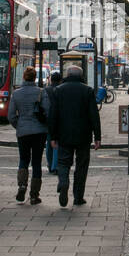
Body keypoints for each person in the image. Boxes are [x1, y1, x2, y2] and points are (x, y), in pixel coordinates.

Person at [48, 63, 101, 207]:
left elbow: (53, 115)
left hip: (64, 134)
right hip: (83, 135)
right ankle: (78, 196)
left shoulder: (58, 90)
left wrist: (53, 136)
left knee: (64, 162)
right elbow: (94, 115)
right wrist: (97, 137)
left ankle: (64, 182)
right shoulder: (87, 90)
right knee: (82, 166)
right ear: (81, 76)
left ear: (68, 75)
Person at [8, 66, 48, 204]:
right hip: (39, 132)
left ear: (24, 77)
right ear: (35, 77)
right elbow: (48, 111)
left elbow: (11, 115)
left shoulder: (16, 94)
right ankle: (34, 195)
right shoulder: (41, 92)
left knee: (23, 159)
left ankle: (22, 185)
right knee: (36, 162)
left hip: (23, 131)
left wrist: (18, 126)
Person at [43, 70, 62, 173]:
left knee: (49, 143)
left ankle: (50, 164)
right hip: (59, 120)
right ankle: (55, 166)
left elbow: (44, 106)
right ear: (60, 81)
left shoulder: (46, 90)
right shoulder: (61, 90)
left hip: (48, 121)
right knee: (57, 143)